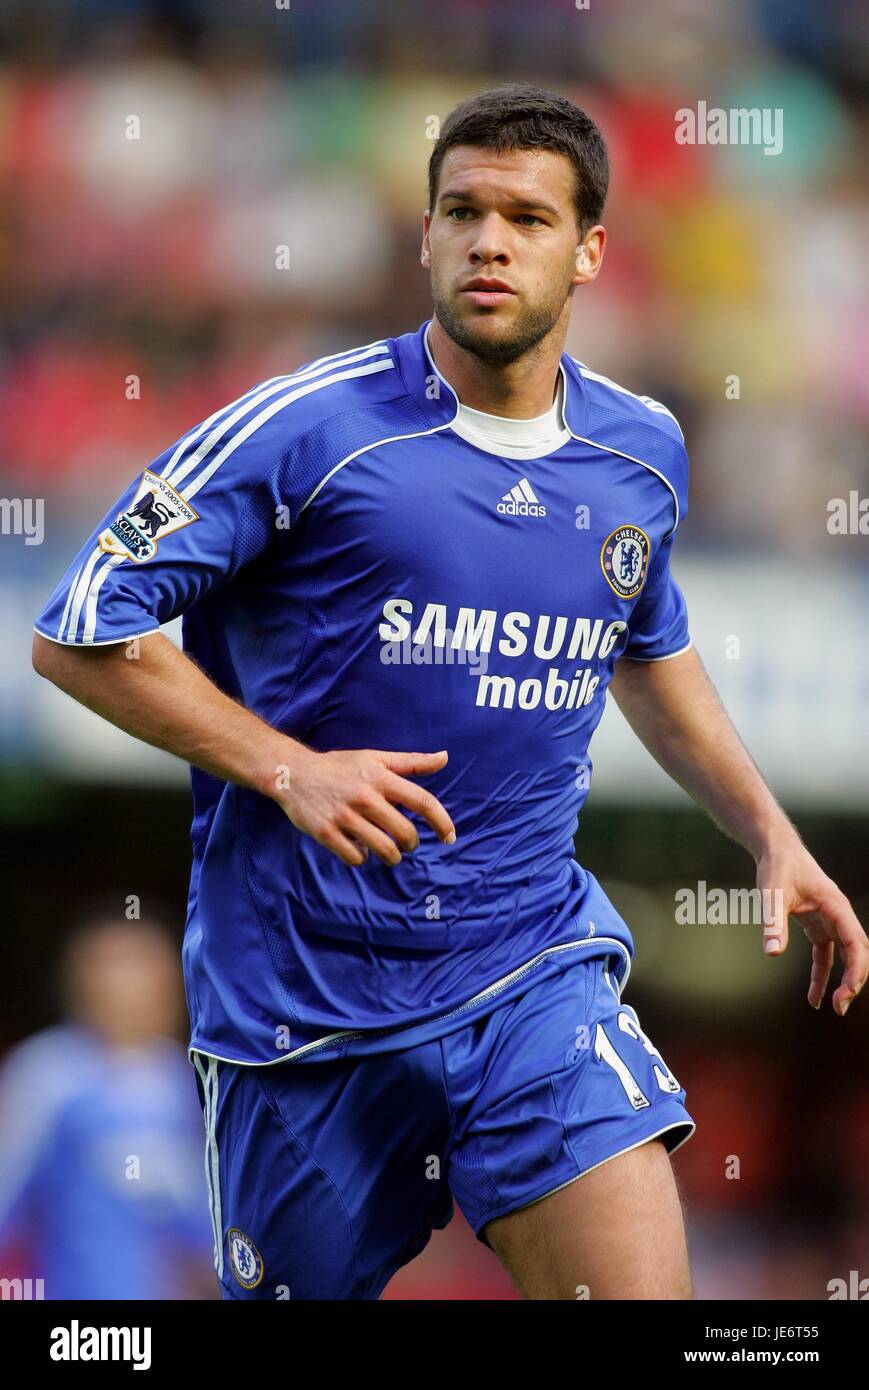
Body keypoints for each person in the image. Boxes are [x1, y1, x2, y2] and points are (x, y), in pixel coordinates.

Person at [31, 84, 867, 1301]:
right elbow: (78, 633)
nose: (487, 240)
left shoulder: (641, 455)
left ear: (587, 252)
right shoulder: (307, 431)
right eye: (461, 210)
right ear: (423, 236)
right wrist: (289, 767)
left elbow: (645, 642)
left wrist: (768, 833)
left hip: (530, 972)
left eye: (525, 218)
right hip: (300, 1016)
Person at [0, 916, 215, 1299]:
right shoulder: (46, 1074)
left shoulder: (187, 1080)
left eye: (147, 969)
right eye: (116, 968)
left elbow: (204, 1223)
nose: (132, 989)